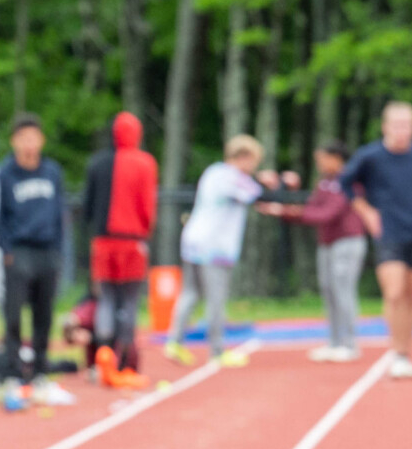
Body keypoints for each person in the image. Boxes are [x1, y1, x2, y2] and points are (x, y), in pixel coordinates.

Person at [341, 101, 412, 379]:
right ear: (385, 127)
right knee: (394, 293)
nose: (402, 130)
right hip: (388, 231)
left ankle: (404, 351)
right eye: (397, 124)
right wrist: (367, 213)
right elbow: (346, 184)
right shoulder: (370, 156)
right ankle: (397, 351)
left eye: (407, 125)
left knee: (411, 297)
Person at [164, 135, 275, 368]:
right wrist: (272, 182)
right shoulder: (233, 177)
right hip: (215, 246)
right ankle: (216, 351)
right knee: (216, 298)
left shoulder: (213, 171)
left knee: (190, 293)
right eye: (253, 161)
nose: (254, 166)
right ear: (243, 157)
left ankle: (174, 341)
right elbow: (260, 195)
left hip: (193, 241)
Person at [268, 141, 365, 362]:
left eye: (322, 159)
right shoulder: (324, 183)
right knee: (329, 291)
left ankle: (350, 344)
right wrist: (286, 209)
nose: (319, 163)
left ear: (336, 158)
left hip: (347, 242)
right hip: (327, 243)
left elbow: (328, 213)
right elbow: (312, 207)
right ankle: (334, 342)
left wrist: (294, 212)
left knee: (343, 291)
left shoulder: (349, 180)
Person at [81, 111, 158, 383]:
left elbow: (87, 206)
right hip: (132, 242)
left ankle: (101, 358)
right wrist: (145, 233)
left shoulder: (97, 163)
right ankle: (124, 359)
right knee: (128, 303)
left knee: (106, 300)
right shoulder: (145, 163)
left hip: (103, 242)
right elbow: (148, 205)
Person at [0, 113, 66, 378]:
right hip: (19, 250)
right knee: (13, 314)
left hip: (46, 250)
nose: (28, 144)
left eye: (33, 138)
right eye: (23, 138)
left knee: (44, 314)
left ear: (41, 141)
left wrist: (58, 250)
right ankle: (13, 366)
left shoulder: (52, 172)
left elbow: (60, 215)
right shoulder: (5, 174)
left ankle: (40, 366)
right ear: (14, 141)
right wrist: (6, 249)